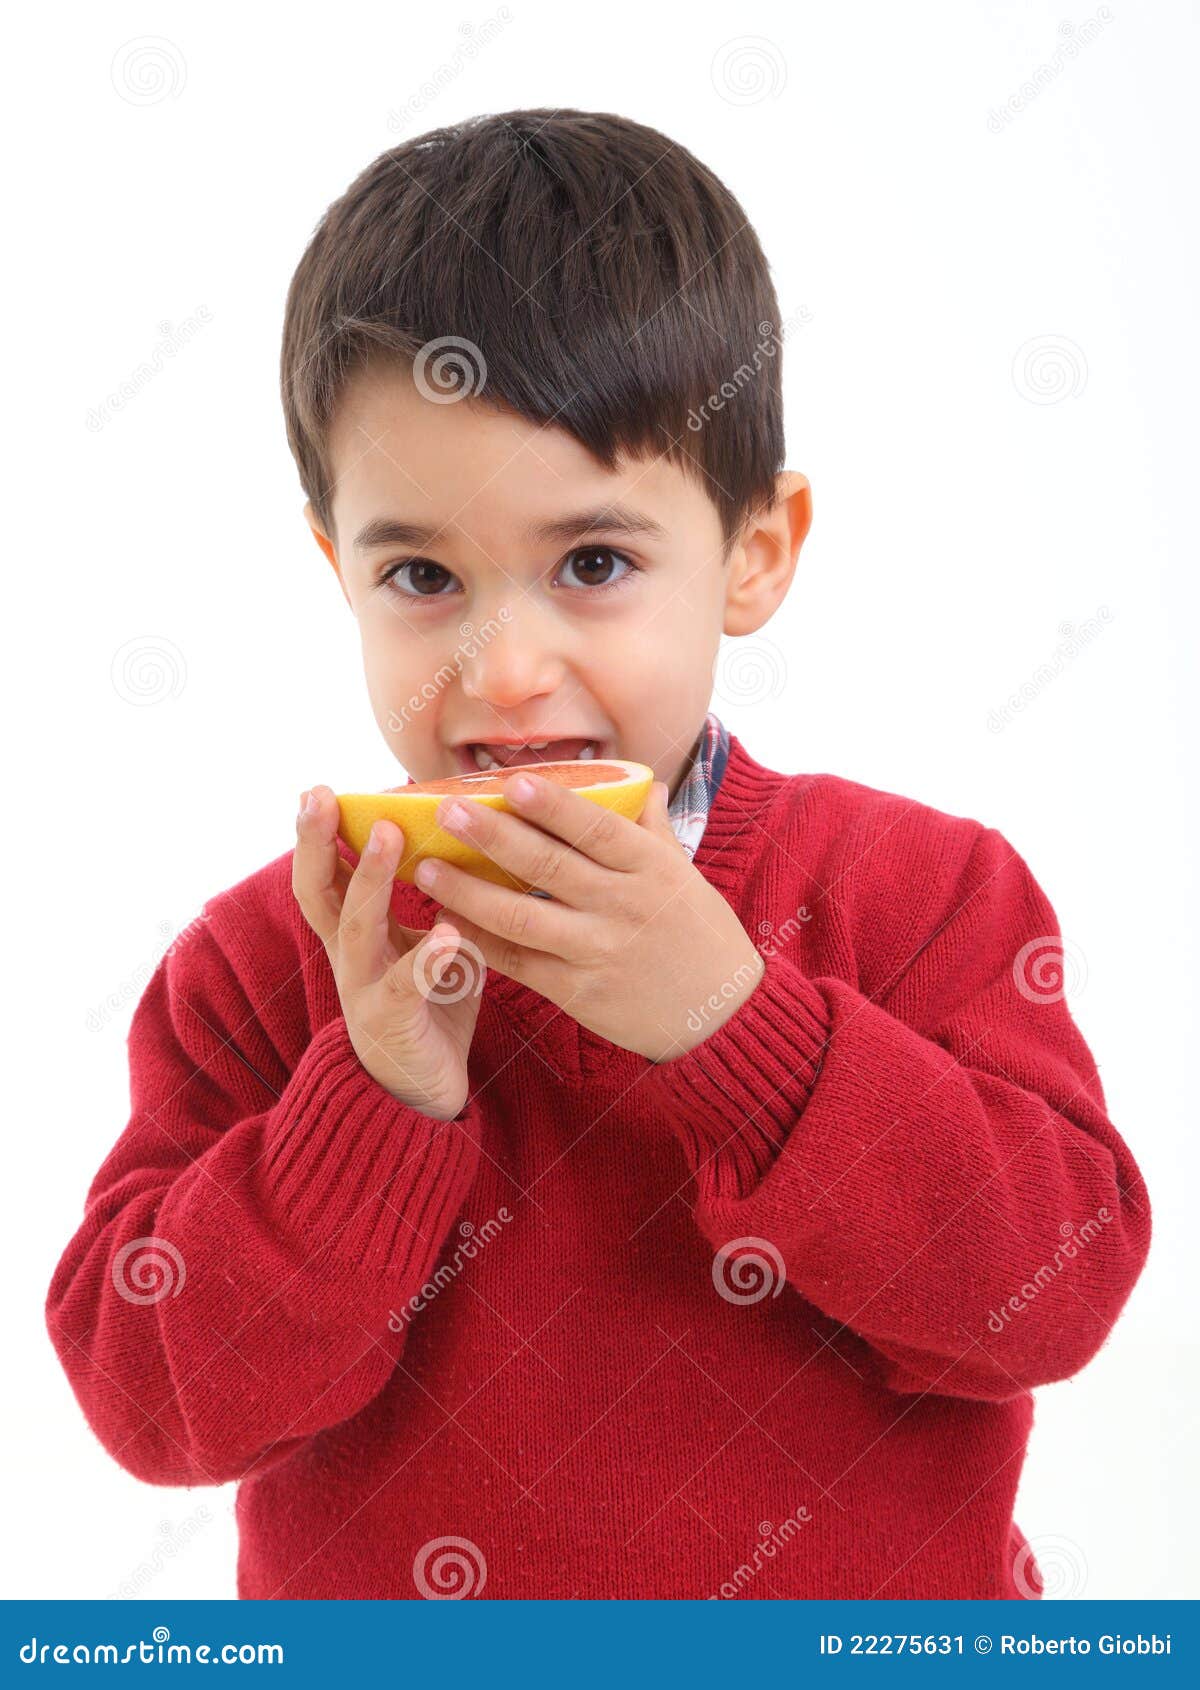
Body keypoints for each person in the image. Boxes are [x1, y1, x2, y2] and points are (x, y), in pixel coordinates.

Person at [45, 107, 1151, 1601]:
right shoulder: (264, 957)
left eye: (595, 564)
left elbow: (1053, 1292)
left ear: (754, 550)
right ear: (337, 573)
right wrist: (369, 1099)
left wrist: (739, 1030)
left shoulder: (925, 893)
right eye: (423, 576)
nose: (506, 672)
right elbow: (154, 1404)